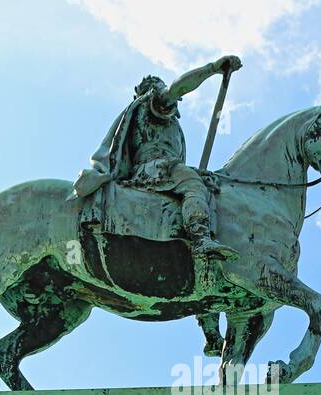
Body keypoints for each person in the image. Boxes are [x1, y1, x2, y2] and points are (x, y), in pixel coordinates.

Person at [73, 56, 242, 262]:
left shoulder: (167, 123)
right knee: (193, 184)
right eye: (163, 87)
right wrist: (212, 68)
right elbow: (177, 88)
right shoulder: (153, 103)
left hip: (164, 167)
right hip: (153, 168)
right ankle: (201, 239)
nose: (174, 98)